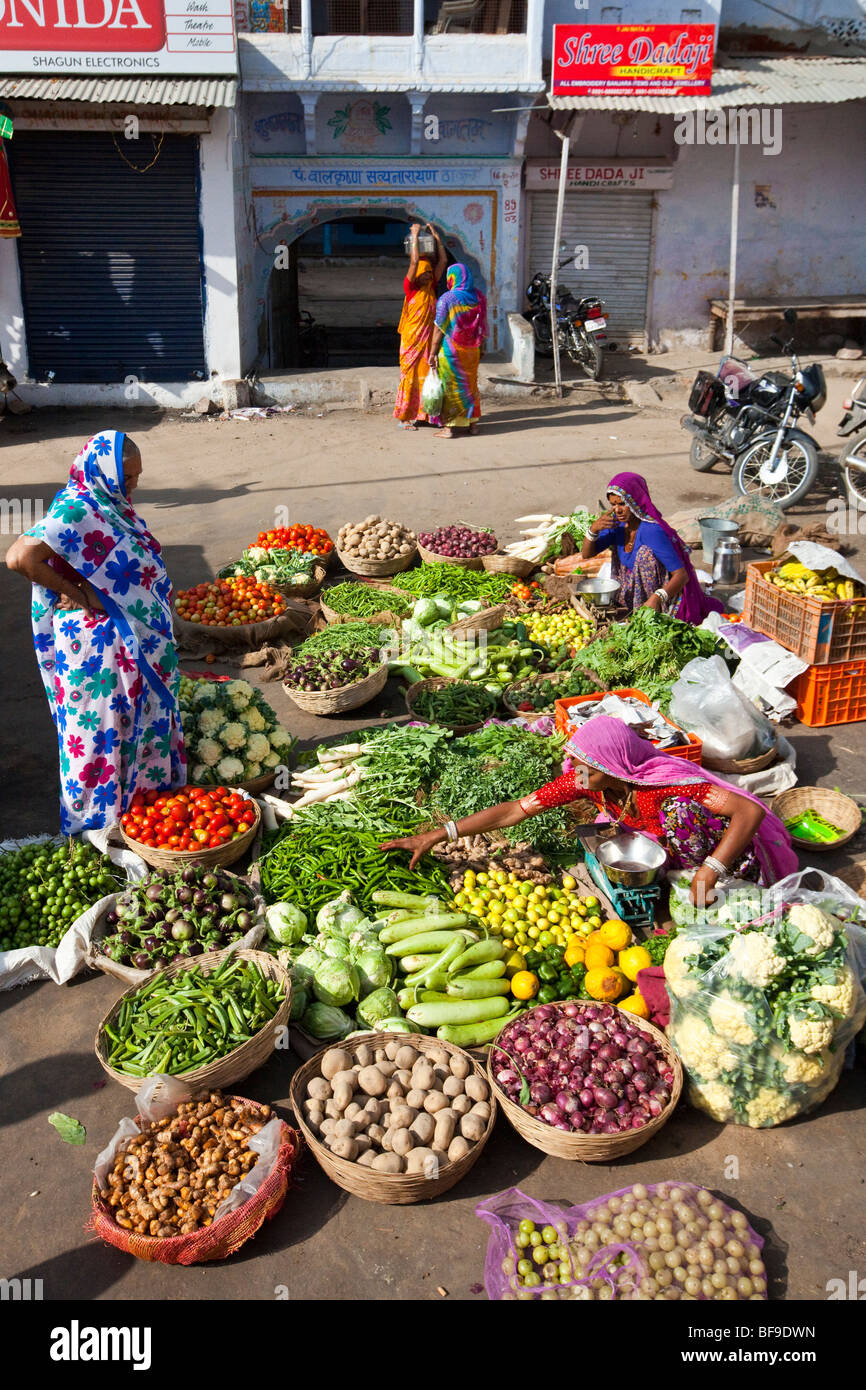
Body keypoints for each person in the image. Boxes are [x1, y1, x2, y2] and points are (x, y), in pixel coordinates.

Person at [380, 716, 797, 905]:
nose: (576, 773)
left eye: (586, 766)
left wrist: (711, 869)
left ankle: (720, 881)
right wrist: (440, 833)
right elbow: (513, 812)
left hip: (717, 846)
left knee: (680, 817)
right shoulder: (583, 782)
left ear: (613, 767)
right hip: (654, 842)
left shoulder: (667, 784)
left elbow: (747, 812)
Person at [6, 430, 185, 834]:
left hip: (124, 641)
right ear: (103, 473)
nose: (135, 485)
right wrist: (80, 592)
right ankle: (96, 822)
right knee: (99, 732)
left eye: (137, 476)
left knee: (129, 723)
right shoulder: (77, 508)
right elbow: (19, 558)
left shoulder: (111, 505)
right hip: (95, 649)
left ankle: (142, 816)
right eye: (128, 477)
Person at [582, 471, 723, 623]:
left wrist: (657, 598)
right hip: (629, 593)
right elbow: (586, 554)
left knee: (645, 553)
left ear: (635, 501)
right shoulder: (616, 524)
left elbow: (682, 576)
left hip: (657, 597)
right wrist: (593, 530)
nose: (618, 510)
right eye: (613, 504)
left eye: (622, 503)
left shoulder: (651, 531)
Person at [394, 222, 446, 430]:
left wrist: (437, 238)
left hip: (426, 342)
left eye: (429, 272)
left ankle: (426, 415)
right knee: (410, 377)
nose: (427, 275)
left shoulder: (431, 288)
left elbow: (442, 261)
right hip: (411, 340)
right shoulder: (411, 288)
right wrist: (415, 236)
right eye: (423, 272)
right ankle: (405, 416)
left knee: (427, 376)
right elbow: (415, 261)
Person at [426, 263, 487, 439]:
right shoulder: (478, 297)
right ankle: (473, 425)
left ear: (452, 278)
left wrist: (432, 352)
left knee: (450, 387)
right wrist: (481, 348)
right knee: (471, 387)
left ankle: (449, 428)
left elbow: (438, 328)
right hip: (472, 350)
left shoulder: (447, 298)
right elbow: (481, 327)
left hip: (452, 351)